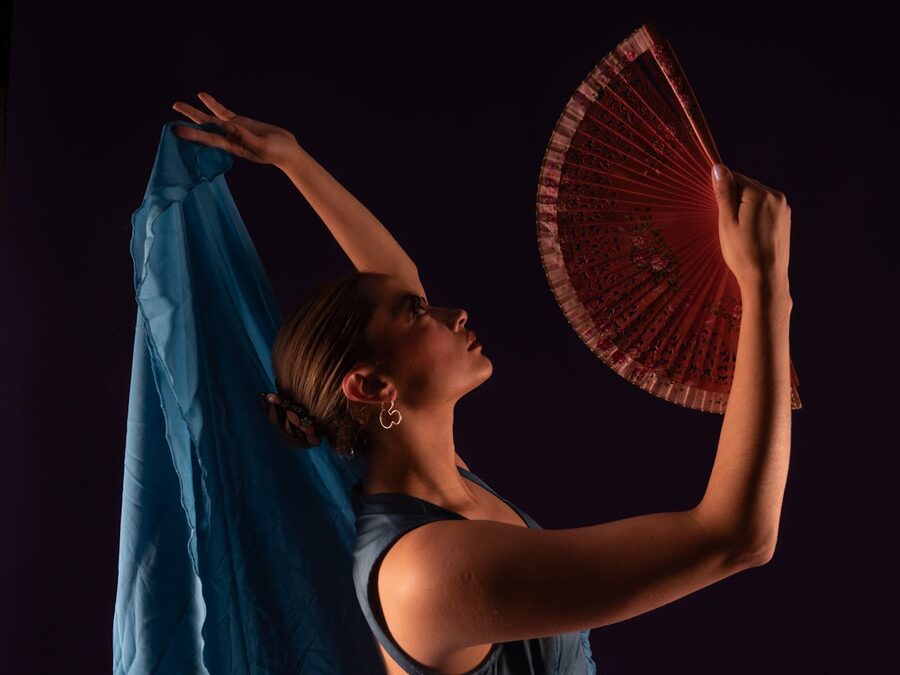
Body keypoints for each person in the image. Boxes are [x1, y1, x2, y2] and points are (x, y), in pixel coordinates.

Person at [171, 92, 793, 674]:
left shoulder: (438, 485)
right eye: (418, 313)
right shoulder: (425, 570)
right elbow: (736, 537)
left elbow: (390, 273)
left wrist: (293, 160)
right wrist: (765, 286)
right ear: (370, 387)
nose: (454, 311)